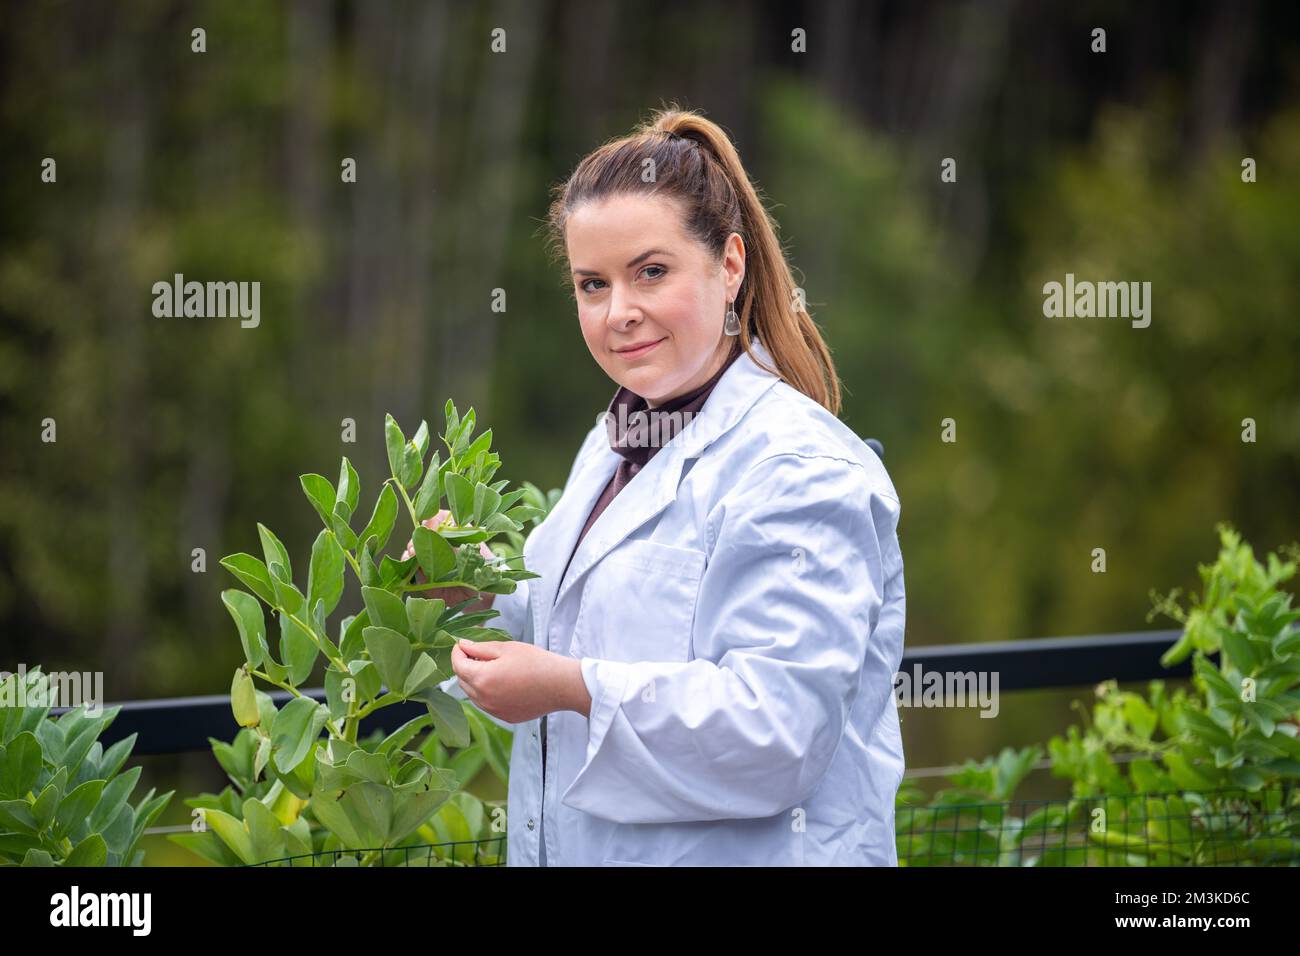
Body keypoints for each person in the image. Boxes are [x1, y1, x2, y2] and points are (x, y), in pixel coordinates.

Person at [421, 106, 905, 866]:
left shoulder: (800, 469)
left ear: (731, 266)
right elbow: (579, 626)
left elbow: (779, 732)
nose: (620, 313)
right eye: (591, 284)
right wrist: (470, 593)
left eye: (651, 271)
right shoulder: (614, 441)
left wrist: (572, 689)